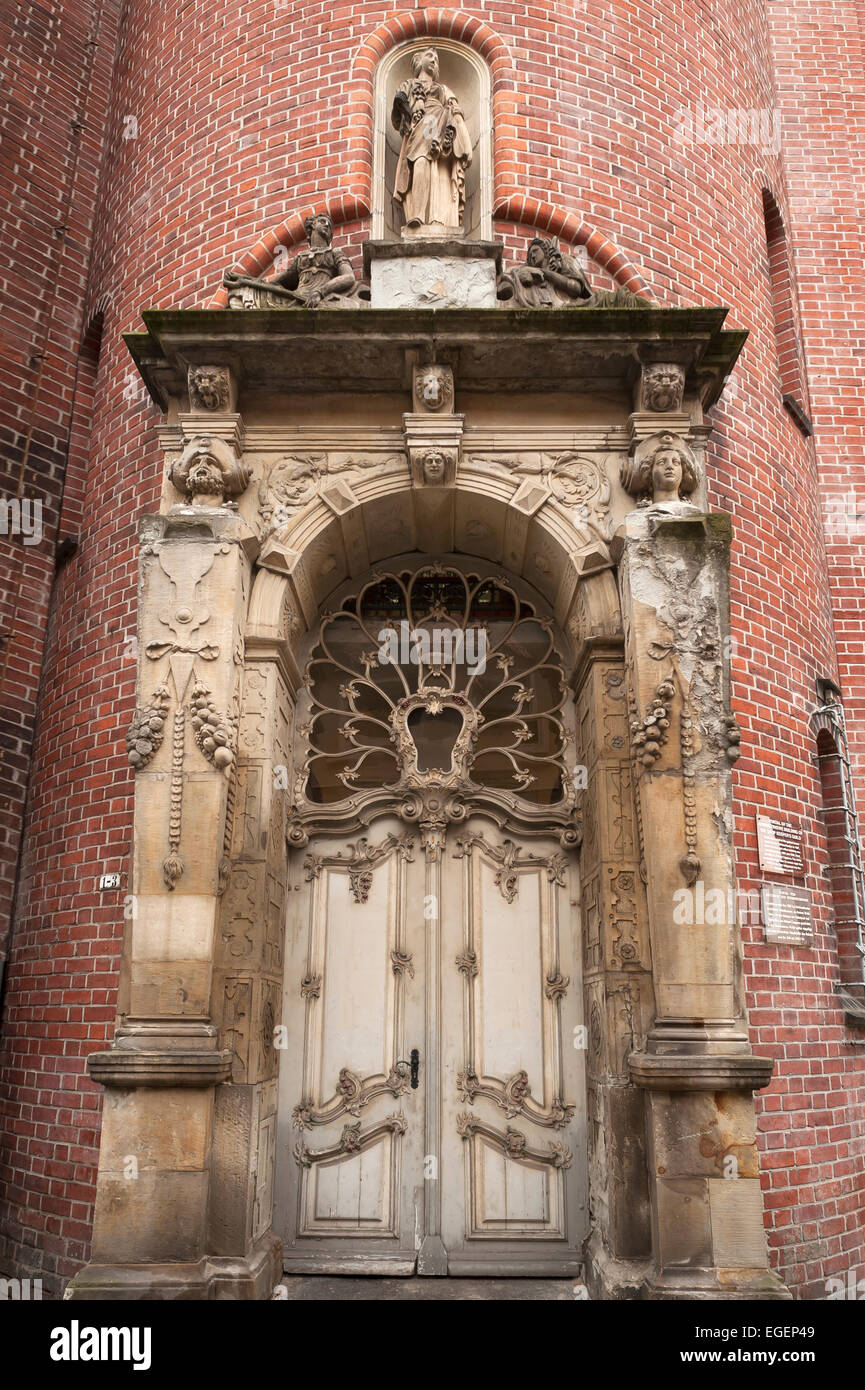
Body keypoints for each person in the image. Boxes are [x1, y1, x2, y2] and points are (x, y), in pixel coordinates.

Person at [391, 48, 473, 232]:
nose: (435, 60)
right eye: (430, 56)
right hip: (421, 127)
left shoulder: (443, 90)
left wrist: (464, 142)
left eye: (437, 58)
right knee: (420, 162)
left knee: (441, 177)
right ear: (419, 62)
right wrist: (411, 112)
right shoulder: (410, 84)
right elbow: (399, 101)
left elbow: (456, 113)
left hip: (441, 128)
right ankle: (417, 216)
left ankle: (441, 220)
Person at [223, 213, 368, 307]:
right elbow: (277, 282)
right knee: (248, 293)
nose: (327, 225)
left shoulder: (335, 253)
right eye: (322, 222)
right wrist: (247, 281)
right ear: (312, 227)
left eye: (329, 226)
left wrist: (320, 293)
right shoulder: (300, 257)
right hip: (297, 297)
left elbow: (348, 277)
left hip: (321, 298)